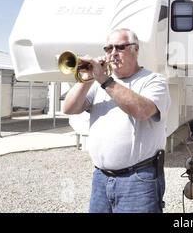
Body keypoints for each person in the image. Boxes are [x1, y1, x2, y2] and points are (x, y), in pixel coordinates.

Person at [63, 28, 171, 213]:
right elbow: (69, 108)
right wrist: (87, 79)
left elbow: (142, 111)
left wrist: (104, 79)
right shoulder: (99, 83)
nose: (113, 54)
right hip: (101, 178)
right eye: (108, 48)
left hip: (138, 179)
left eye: (120, 47)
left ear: (136, 50)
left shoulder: (153, 80)